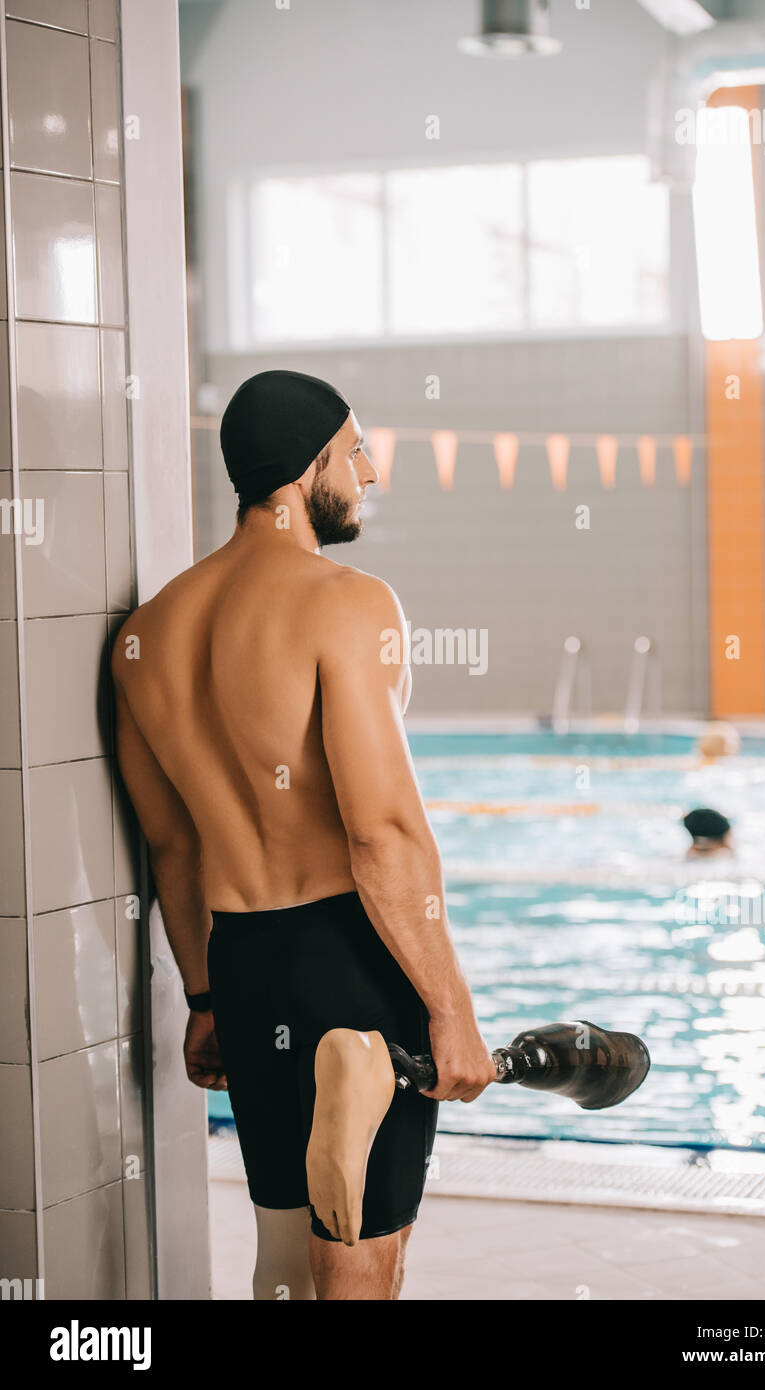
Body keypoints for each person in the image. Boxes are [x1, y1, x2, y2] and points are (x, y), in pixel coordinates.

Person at [112, 369, 495, 1301]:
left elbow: (174, 848)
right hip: (348, 960)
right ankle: (353, 1070)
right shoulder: (345, 602)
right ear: (307, 464)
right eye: (355, 450)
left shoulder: (147, 634)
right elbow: (384, 832)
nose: (369, 472)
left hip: (243, 963)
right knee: (361, 1260)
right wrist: (449, 1008)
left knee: (283, 1256)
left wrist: (204, 997)